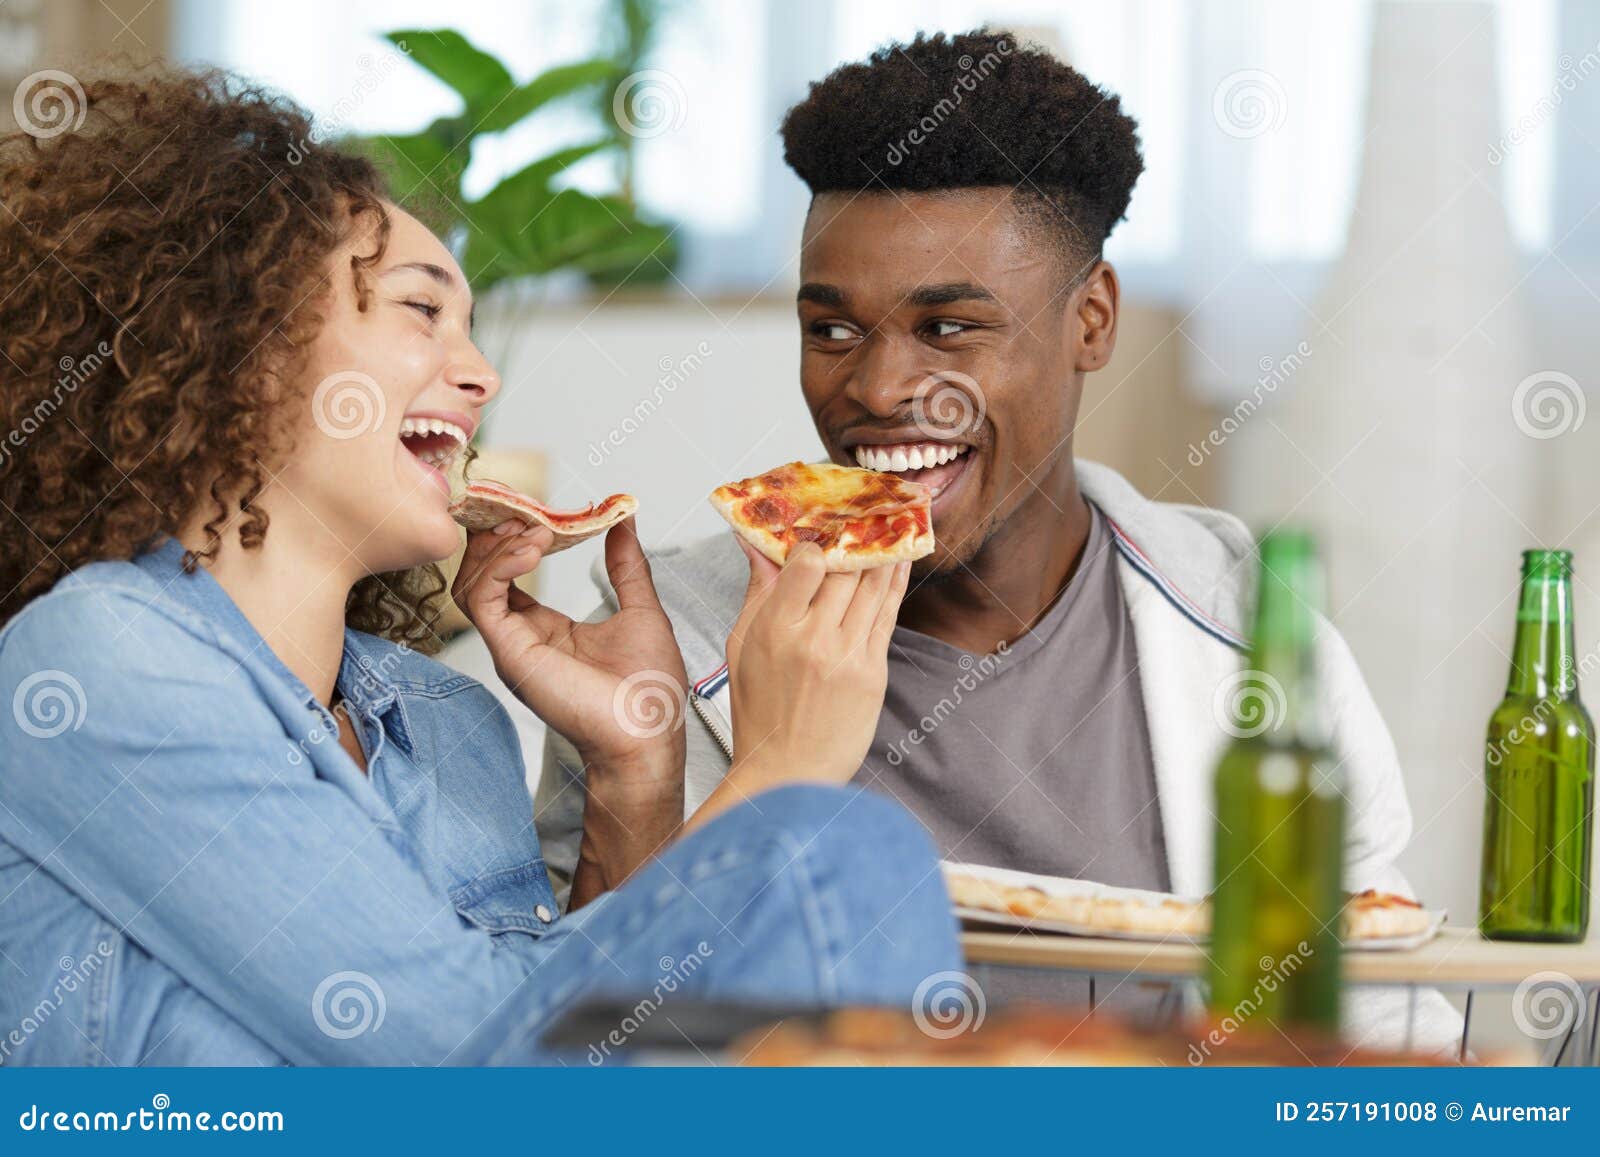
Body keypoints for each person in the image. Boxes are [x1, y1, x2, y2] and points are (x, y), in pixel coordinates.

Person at [0, 69, 958, 1066]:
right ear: (240, 339)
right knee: (853, 854)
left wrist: (636, 769)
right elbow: (467, 1057)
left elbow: (596, 1057)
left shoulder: (446, 723)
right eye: (421, 311)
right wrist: (782, 769)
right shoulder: (101, 656)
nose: (480, 373)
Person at [538, 30, 1460, 1050]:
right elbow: (574, 1060)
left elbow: (1381, 1036)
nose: (880, 390)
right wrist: (675, 777)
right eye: (831, 330)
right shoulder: (667, 647)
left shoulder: (1253, 629)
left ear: (1091, 321)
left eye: (948, 329)